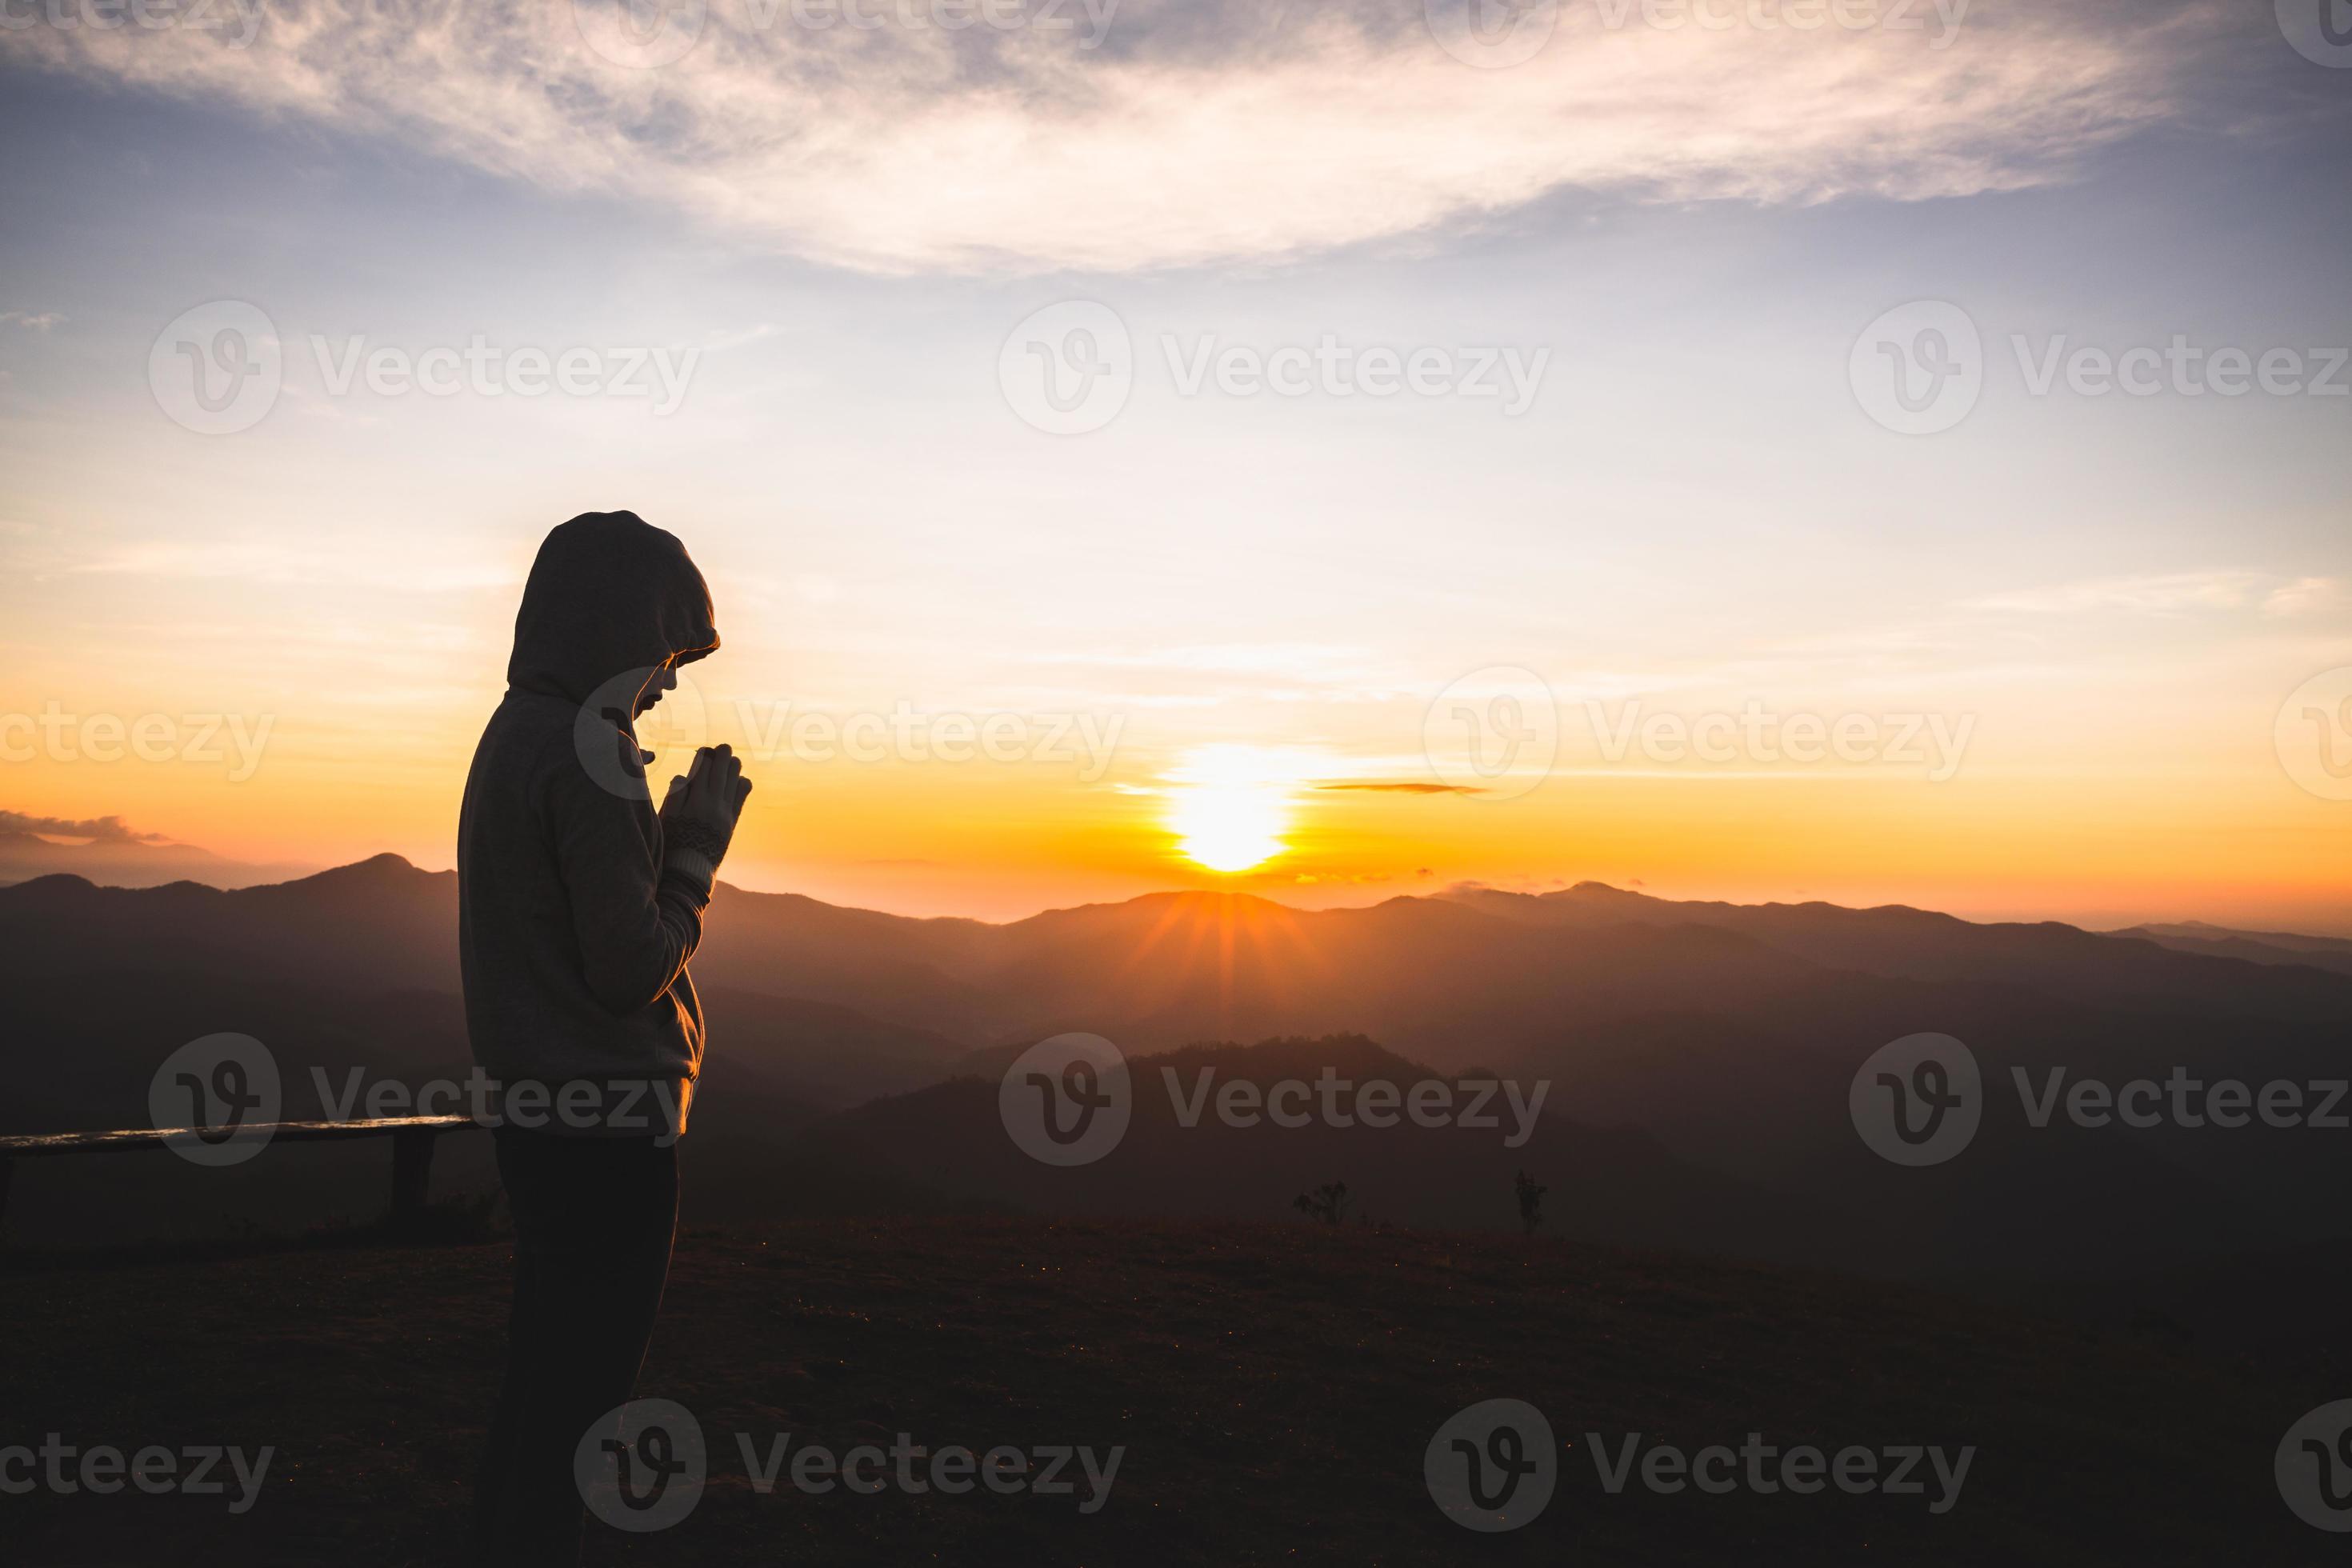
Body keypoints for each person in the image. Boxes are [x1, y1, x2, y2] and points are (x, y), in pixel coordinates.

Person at [456, 510, 751, 1563]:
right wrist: (696, 858)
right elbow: (629, 969)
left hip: (538, 1115)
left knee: (540, 1382)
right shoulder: (589, 756)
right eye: (663, 656)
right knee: (581, 1402)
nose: (666, 685)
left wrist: (654, 847)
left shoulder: (515, 732)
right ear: (616, 633)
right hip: (609, 1130)